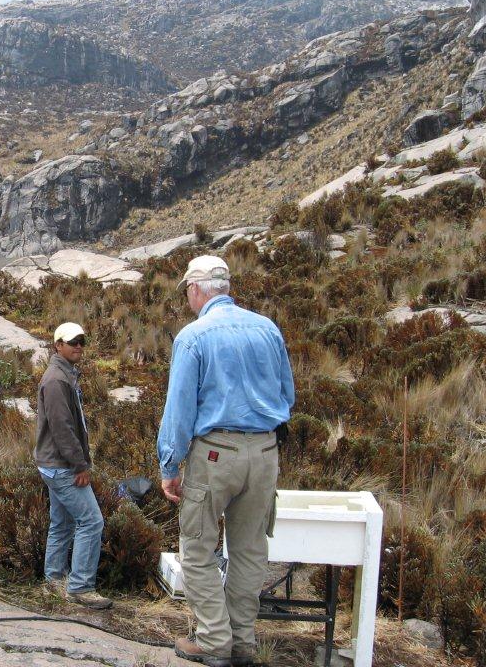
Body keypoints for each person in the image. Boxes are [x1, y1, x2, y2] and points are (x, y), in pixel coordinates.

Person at [157, 255, 294, 667]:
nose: (187, 297)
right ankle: (242, 640)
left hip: (216, 453)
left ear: (197, 289)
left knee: (198, 548)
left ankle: (214, 639)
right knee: (250, 549)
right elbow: (287, 395)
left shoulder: (194, 336)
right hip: (265, 452)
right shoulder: (267, 328)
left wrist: (169, 465)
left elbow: (179, 410)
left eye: (187, 290)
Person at [34, 322, 113, 610]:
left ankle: (54, 581)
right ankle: (80, 586)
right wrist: (80, 465)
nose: (78, 346)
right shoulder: (57, 380)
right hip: (62, 466)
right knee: (92, 521)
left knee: (62, 522)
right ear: (57, 345)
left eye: (82, 340)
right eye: (72, 341)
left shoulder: (64, 374)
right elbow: (62, 428)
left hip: (54, 463)